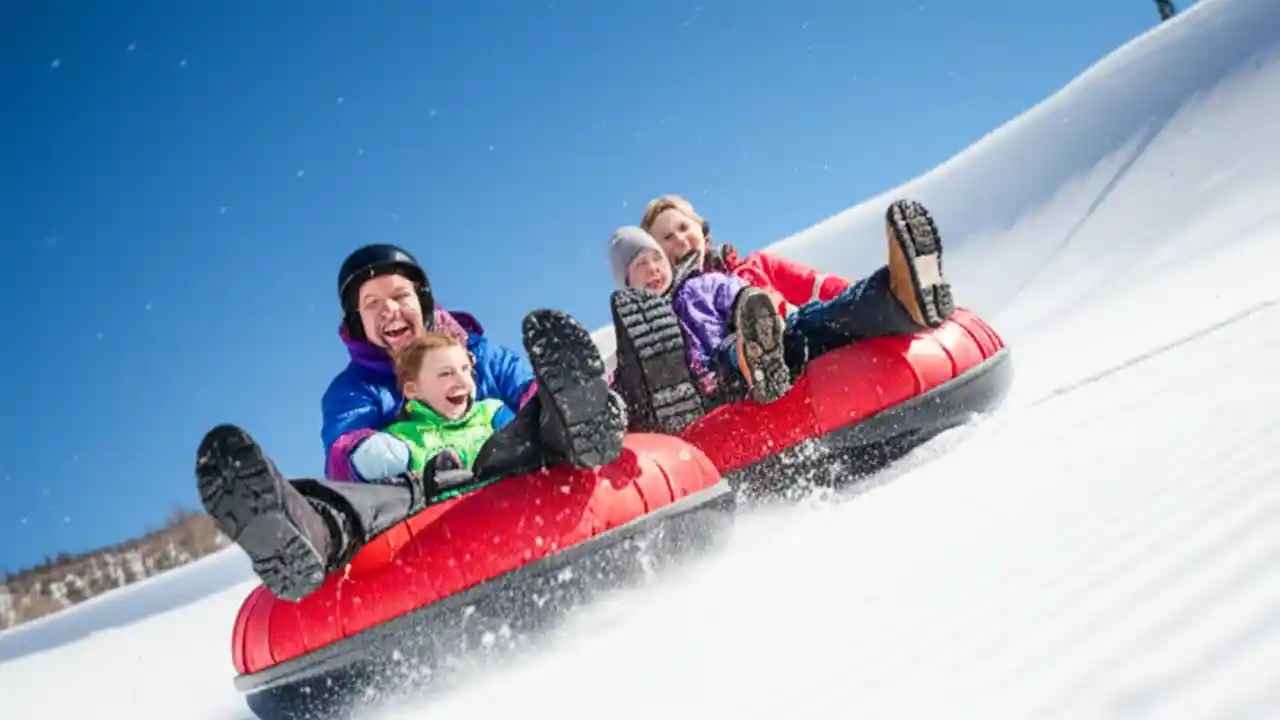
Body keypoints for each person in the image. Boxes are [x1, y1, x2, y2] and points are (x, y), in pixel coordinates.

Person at [195, 244, 625, 602]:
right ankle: (300, 532)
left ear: (421, 300)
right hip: (418, 500)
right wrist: (376, 455)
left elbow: (523, 387)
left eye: (399, 296)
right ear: (359, 323)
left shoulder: (475, 353)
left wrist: (549, 404)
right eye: (372, 304)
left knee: (529, 427)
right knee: (362, 503)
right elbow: (344, 456)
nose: (389, 311)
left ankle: (580, 422)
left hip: (510, 466)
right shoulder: (355, 390)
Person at [612, 195, 954, 433]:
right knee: (781, 336)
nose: (680, 241)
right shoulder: (672, 314)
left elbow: (826, 290)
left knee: (818, 320)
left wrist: (871, 294)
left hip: (799, 335)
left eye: (684, 228)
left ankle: (903, 294)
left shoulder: (754, 267)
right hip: (738, 375)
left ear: (703, 230)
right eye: (666, 239)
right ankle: (755, 358)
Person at [607, 226, 791, 421]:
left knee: (744, 344)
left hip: (733, 359)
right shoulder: (635, 339)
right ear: (627, 282)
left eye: (657, 258)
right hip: (701, 397)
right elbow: (623, 378)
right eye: (641, 264)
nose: (653, 268)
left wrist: (749, 303)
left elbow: (736, 295)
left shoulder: (700, 287)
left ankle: (763, 362)